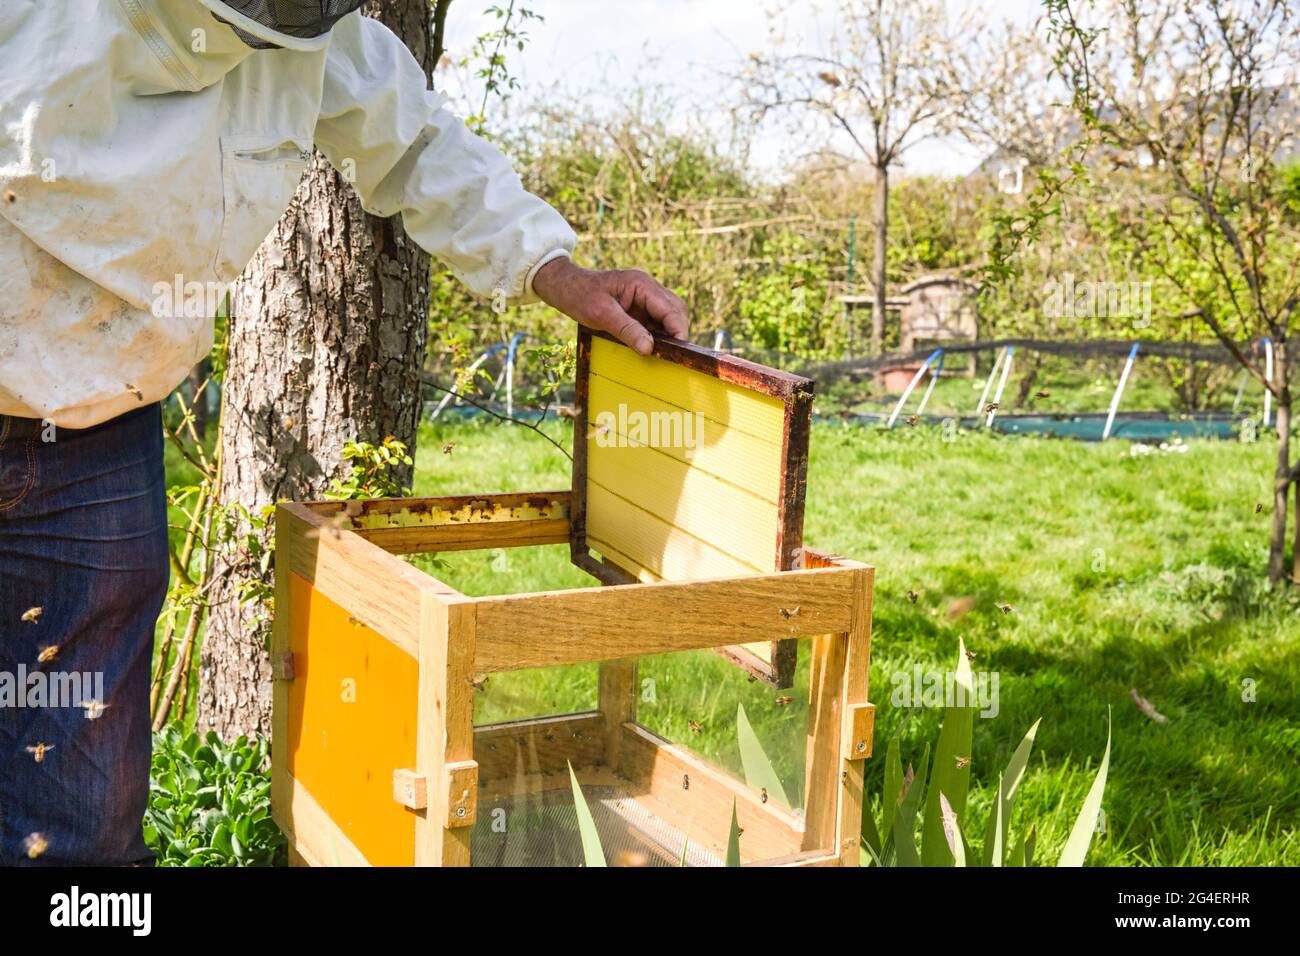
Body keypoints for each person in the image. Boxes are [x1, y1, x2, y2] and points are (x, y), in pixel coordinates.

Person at [0, 0, 688, 866]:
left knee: (80, 821)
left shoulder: (323, 42)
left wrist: (555, 270)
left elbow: (421, 145)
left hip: (99, 436)